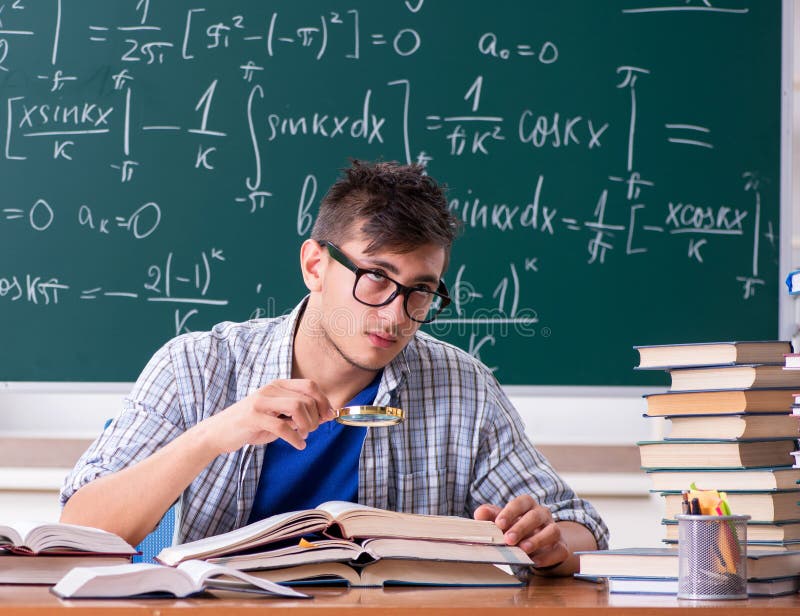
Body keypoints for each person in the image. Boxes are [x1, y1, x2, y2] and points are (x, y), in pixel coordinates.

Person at [60, 160, 608, 577]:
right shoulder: (197, 367)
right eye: (376, 277)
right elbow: (78, 531)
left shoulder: (462, 385)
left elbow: (583, 528)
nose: (396, 316)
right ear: (315, 265)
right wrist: (211, 437)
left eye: (420, 290)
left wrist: (550, 544)